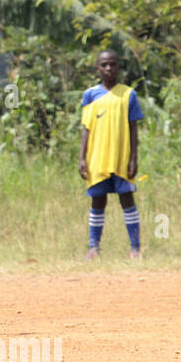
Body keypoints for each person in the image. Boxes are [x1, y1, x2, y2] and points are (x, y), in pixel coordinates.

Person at [79, 50, 143, 259]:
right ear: (98, 68)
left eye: (112, 64)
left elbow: (133, 129)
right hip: (97, 157)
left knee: (127, 199)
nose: (108, 69)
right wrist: (82, 158)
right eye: (104, 65)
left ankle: (135, 248)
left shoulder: (128, 94)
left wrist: (133, 158)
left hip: (121, 157)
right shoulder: (90, 95)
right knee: (98, 201)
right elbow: (86, 128)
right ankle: (93, 247)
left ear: (119, 67)